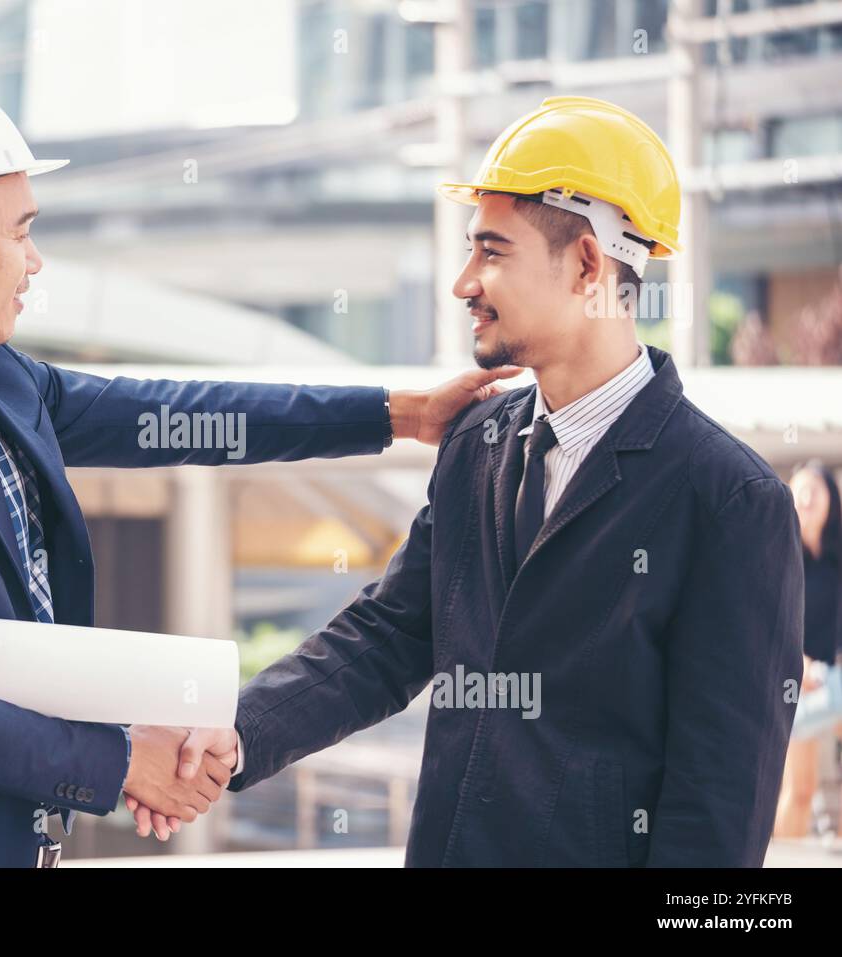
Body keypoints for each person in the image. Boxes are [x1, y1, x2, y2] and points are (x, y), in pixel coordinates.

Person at [0, 72, 519, 866]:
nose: (34, 261)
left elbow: (178, 413)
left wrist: (395, 414)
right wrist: (124, 761)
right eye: (18, 232)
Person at [168, 95, 804, 866]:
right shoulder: (478, 443)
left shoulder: (728, 501)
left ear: (587, 265)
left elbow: (718, 813)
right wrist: (239, 730)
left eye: (492, 251)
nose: (464, 282)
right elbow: (390, 636)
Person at [774, 461, 842, 838]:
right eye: (800, 488)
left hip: (838, 679)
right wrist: (797, 664)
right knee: (800, 790)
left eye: (816, 488)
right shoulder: (776, 555)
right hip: (797, 685)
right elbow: (762, 621)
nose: (807, 496)